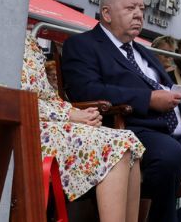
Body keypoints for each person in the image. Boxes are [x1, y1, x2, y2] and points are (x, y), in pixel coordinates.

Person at [62, 0, 181, 221]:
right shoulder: (82, 46)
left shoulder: (143, 51)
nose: (139, 15)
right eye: (130, 8)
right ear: (106, 13)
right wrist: (149, 99)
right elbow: (86, 90)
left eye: (142, 9)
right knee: (169, 155)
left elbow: (165, 87)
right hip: (136, 128)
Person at [21, 34, 145, 222]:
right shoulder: (1, 33)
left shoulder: (27, 38)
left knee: (128, 141)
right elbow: (6, 93)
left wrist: (72, 112)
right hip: (23, 122)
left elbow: (47, 96)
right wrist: (69, 115)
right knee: (117, 145)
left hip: (46, 118)